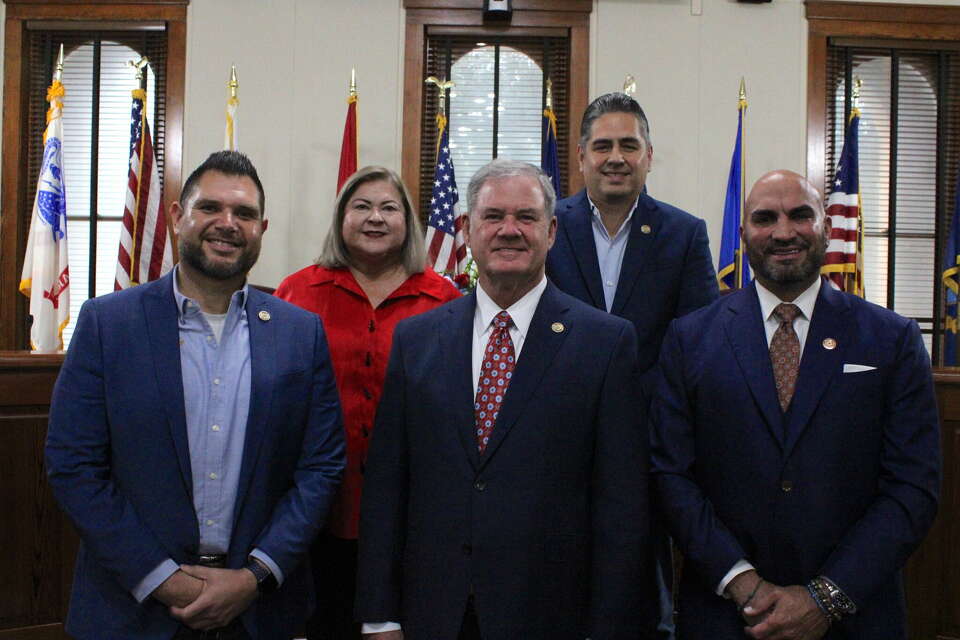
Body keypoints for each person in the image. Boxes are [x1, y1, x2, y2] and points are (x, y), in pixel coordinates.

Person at [45, 150, 346, 640]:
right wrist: (165, 581)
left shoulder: (299, 333)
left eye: (244, 213)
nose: (227, 223)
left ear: (262, 229)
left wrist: (255, 575)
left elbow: (321, 468)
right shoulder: (107, 324)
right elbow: (73, 464)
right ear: (176, 216)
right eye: (210, 207)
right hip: (131, 611)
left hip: (258, 610)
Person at [356, 159, 648, 640]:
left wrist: (609, 627)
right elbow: (388, 488)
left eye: (526, 217)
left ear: (551, 232)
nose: (509, 230)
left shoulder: (606, 344)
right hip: (432, 613)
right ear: (467, 230)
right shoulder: (416, 340)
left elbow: (622, 506)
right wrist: (379, 616)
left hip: (552, 618)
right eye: (493, 216)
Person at [650, 170, 940, 639]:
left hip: (856, 616)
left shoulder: (892, 339)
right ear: (743, 233)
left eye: (800, 215)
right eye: (765, 218)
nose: (783, 232)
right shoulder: (690, 339)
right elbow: (670, 474)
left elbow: (913, 487)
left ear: (826, 224)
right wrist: (743, 583)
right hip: (726, 616)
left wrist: (825, 598)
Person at [545, 91, 719, 638]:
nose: (615, 157)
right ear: (581, 157)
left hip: (650, 443)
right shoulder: (546, 226)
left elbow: (699, 343)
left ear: (648, 155)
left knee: (639, 598)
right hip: (554, 436)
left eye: (628, 145)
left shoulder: (683, 233)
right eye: (603, 146)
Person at [274, 165, 460, 639]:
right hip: (316, 507)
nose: (375, 217)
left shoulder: (444, 299)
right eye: (362, 206)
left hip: (414, 509)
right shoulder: (297, 292)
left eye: (389, 208)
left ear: (408, 222)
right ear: (341, 218)